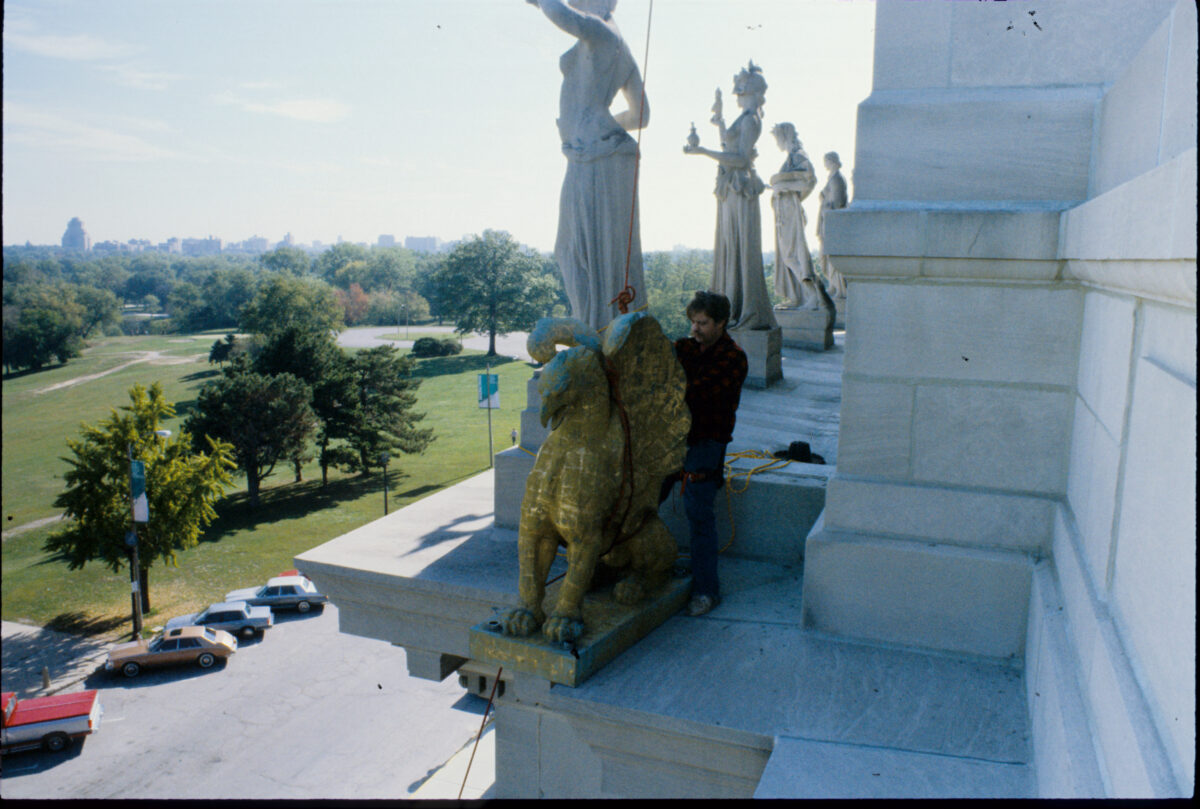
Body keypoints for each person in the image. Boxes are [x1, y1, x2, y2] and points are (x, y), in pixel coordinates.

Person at [529, 0, 649, 331]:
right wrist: (598, 124)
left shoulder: (601, 30)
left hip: (597, 156)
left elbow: (560, 14)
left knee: (578, 252)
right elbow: (641, 114)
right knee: (578, 252)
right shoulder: (617, 43)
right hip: (594, 152)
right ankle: (596, 327)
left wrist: (592, 127)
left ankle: (596, 331)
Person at [669, 291, 748, 617]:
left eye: (702, 323)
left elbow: (697, 394)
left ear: (720, 322)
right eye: (693, 321)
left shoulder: (733, 358)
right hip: (673, 439)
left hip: (706, 445)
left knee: (699, 514)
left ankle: (706, 591)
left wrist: (668, 385)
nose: (695, 328)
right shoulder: (685, 348)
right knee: (646, 497)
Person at [683, 62, 777, 331]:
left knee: (739, 246)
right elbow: (730, 144)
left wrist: (703, 151)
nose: (737, 93)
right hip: (731, 188)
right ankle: (731, 304)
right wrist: (720, 122)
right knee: (730, 245)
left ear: (749, 91)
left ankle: (743, 307)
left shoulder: (751, 119)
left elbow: (741, 157)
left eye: (740, 89)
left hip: (741, 186)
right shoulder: (744, 116)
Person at [768, 122, 821, 309]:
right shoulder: (791, 156)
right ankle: (799, 296)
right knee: (788, 255)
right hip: (785, 209)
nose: (777, 143)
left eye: (777, 138)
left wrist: (783, 185)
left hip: (790, 209)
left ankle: (812, 295)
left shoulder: (798, 154)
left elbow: (809, 178)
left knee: (791, 255)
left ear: (784, 136)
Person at [817, 151, 849, 299]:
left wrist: (825, 202)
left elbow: (837, 202)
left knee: (831, 255)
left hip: (832, 223)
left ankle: (839, 288)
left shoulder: (837, 179)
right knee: (826, 256)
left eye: (826, 160)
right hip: (827, 221)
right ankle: (833, 285)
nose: (825, 164)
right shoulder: (832, 178)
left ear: (832, 161)